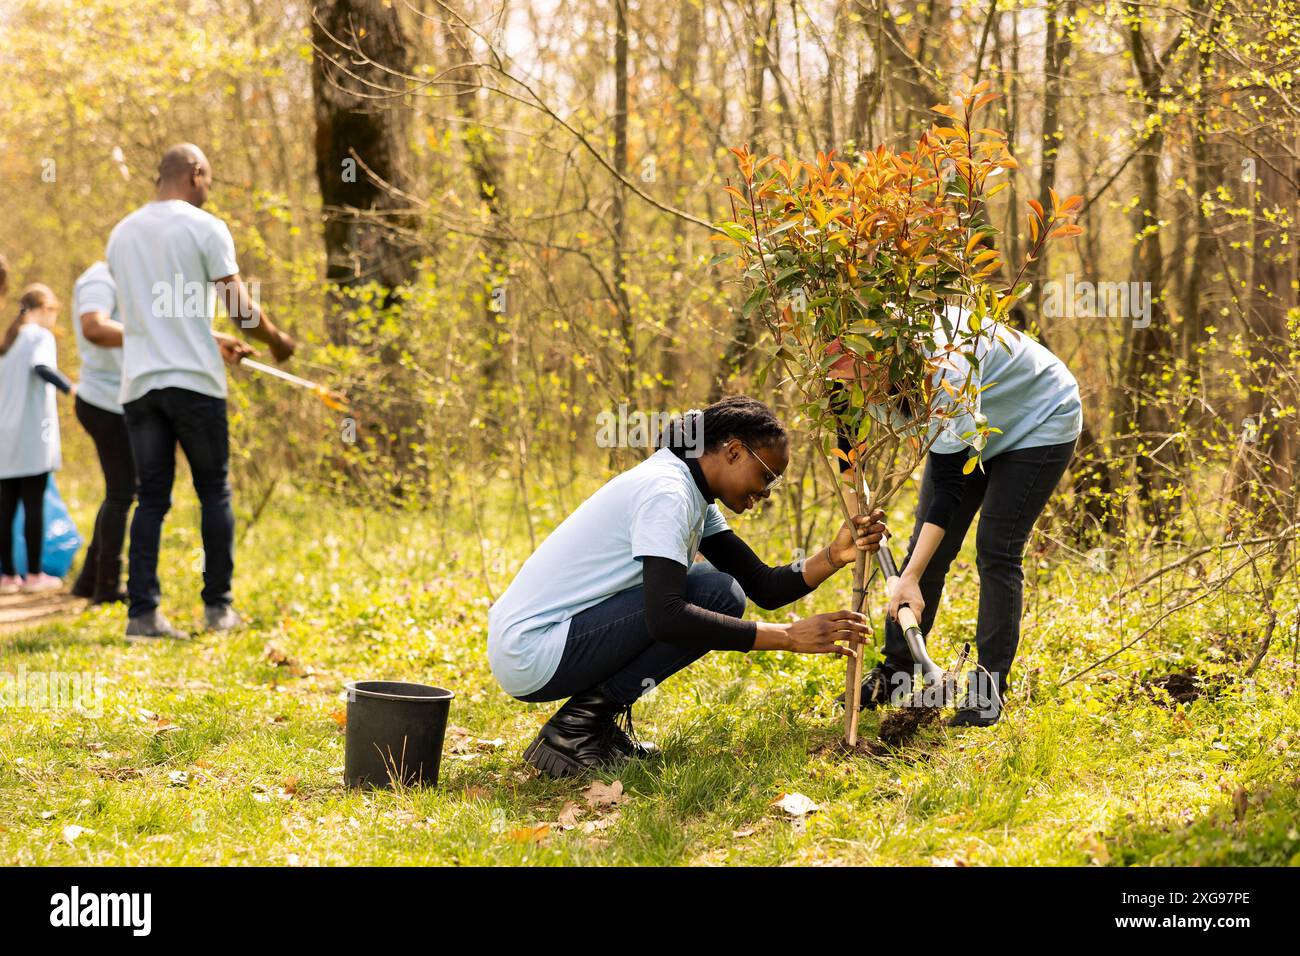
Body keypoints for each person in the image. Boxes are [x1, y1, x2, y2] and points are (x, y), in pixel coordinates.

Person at [488, 395, 888, 778]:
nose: (765, 493)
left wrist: (834, 556)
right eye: (767, 476)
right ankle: (576, 728)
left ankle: (584, 725)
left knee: (719, 591)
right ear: (733, 451)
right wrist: (787, 636)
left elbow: (763, 587)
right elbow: (667, 618)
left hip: (545, 644)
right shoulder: (667, 492)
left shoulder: (693, 493)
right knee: (715, 593)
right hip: (532, 649)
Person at [840, 305, 1082, 727]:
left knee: (996, 549)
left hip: (1039, 416)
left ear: (884, 360)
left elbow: (948, 491)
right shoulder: (839, 360)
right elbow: (846, 440)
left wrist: (908, 578)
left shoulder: (943, 370)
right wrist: (858, 499)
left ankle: (987, 691)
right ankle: (898, 669)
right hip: (973, 422)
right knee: (927, 549)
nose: (852, 386)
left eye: (862, 379)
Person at [106, 143, 296, 640]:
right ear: (195, 173)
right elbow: (240, 307)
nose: (209, 189)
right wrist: (276, 340)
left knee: (150, 499)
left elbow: (152, 315)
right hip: (192, 384)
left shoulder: (122, 234)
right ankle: (218, 609)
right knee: (213, 492)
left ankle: (141, 615)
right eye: (208, 178)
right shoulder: (203, 226)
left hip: (140, 386)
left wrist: (209, 337)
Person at [66, 261, 135, 604]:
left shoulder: (120, 277)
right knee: (122, 493)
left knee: (120, 492)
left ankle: (89, 580)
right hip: (103, 401)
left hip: (112, 399)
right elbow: (93, 327)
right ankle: (106, 587)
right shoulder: (101, 278)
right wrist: (145, 333)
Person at [0, 284, 75, 594]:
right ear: (45, 309)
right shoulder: (39, 336)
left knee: (5, 508)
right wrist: (72, 389)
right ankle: (33, 575)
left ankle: (7, 576)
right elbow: (42, 368)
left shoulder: (8, 341)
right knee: (33, 505)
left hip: (4, 436)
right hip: (32, 435)